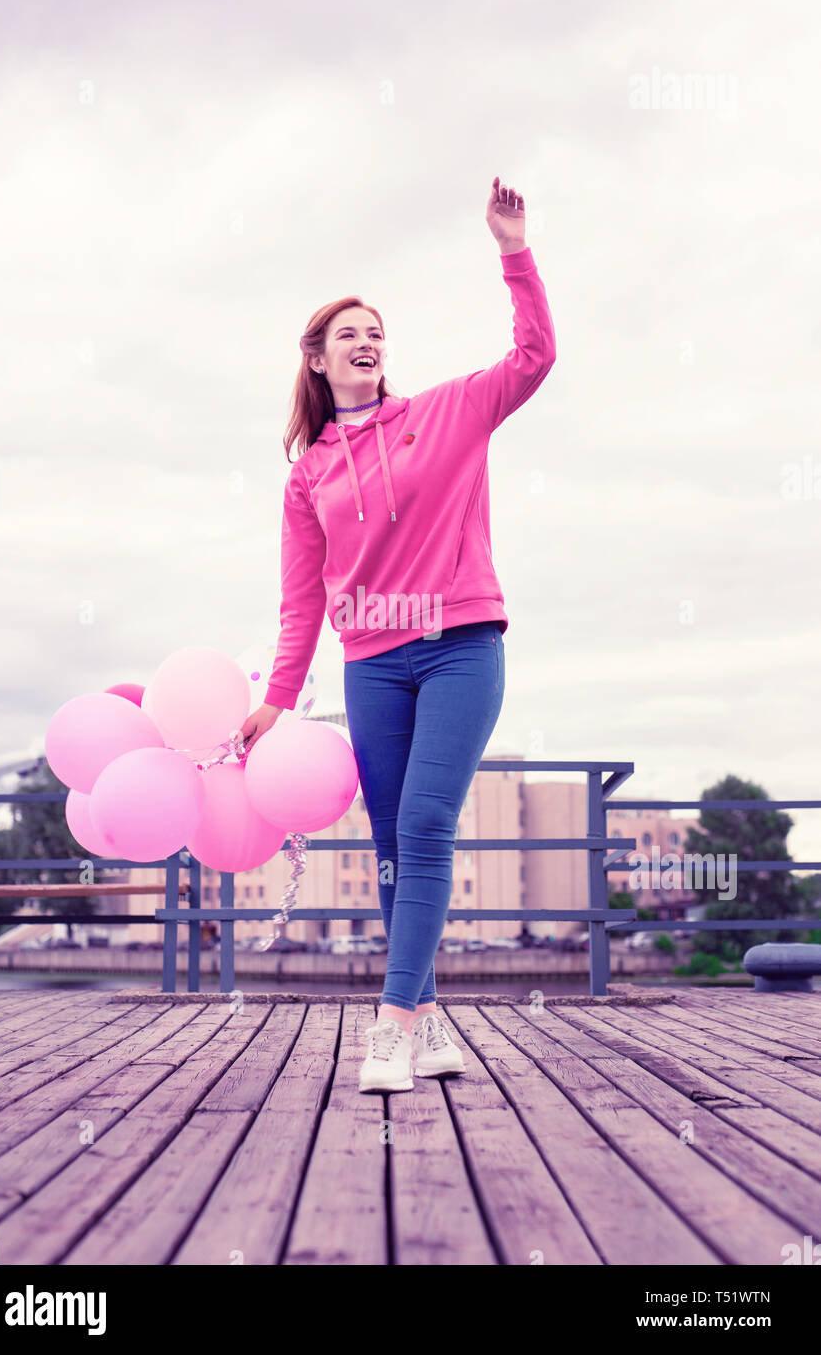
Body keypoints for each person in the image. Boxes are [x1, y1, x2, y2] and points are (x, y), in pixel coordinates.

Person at [235, 176, 556, 1093]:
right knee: (389, 843)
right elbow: (302, 603)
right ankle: (428, 1017)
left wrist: (512, 249)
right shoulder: (307, 480)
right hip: (371, 665)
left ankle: (386, 1029)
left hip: (461, 647)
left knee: (424, 823)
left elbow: (534, 357)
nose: (368, 344)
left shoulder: (447, 415)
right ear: (319, 362)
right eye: (350, 335)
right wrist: (275, 704)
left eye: (377, 334)